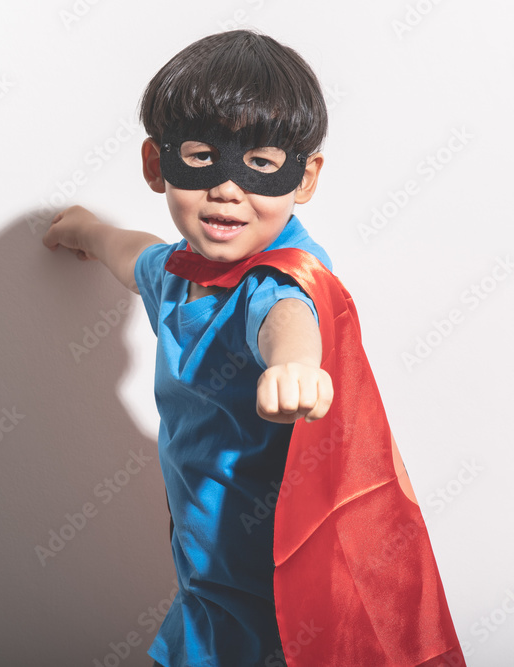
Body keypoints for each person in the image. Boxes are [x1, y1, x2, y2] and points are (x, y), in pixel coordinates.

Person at [42, 30, 464, 667]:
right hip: (202, 546)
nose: (228, 189)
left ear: (307, 177)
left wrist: (295, 364)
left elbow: (289, 314)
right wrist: (88, 230)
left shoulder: (278, 277)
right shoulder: (180, 275)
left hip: (272, 560)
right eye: (201, 158)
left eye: (261, 166)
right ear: (157, 166)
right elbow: (134, 256)